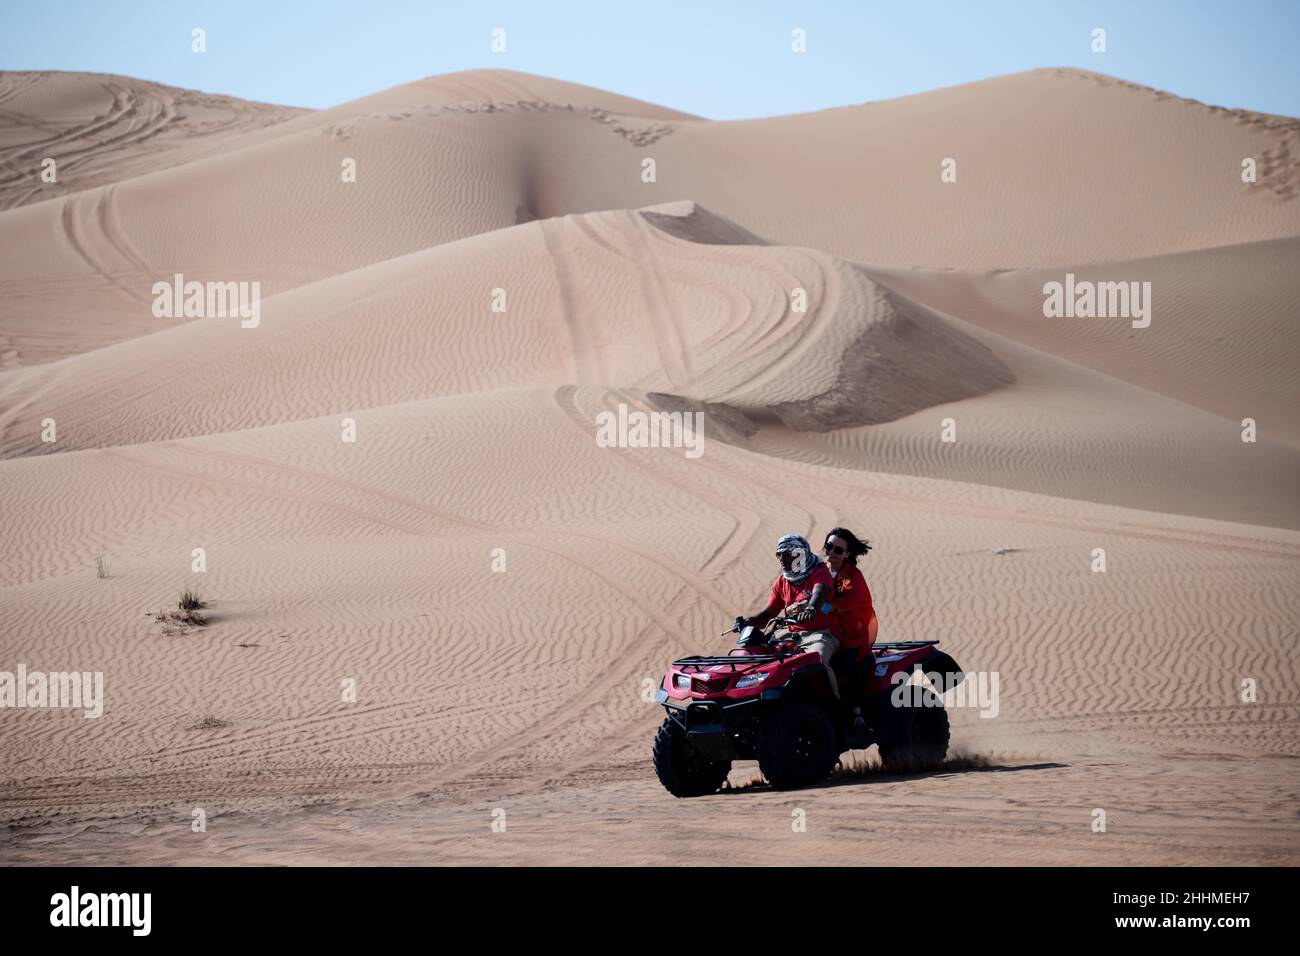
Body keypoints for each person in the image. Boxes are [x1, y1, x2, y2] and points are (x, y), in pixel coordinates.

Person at [736, 534, 844, 697]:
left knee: (817, 659)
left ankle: (835, 707)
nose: (782, 559)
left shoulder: (819, 571)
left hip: (822, 634)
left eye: (787, 555)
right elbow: (768, 615)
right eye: (779, 555)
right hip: (791, 635)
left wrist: (811, 609)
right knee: (757, 657)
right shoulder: (782, 581)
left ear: (800, 554)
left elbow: (820, 591)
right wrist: (747, 622)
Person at [822, 527, 877, 731]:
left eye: (838, 550)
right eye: (829, 547)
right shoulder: (817, 572)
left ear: (847, 554)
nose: (832, 553)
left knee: (847, 664)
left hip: (851, 636)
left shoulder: (851, 576)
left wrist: (825, 607)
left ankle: (856, 716)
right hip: (821, 632)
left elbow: (852, 599)